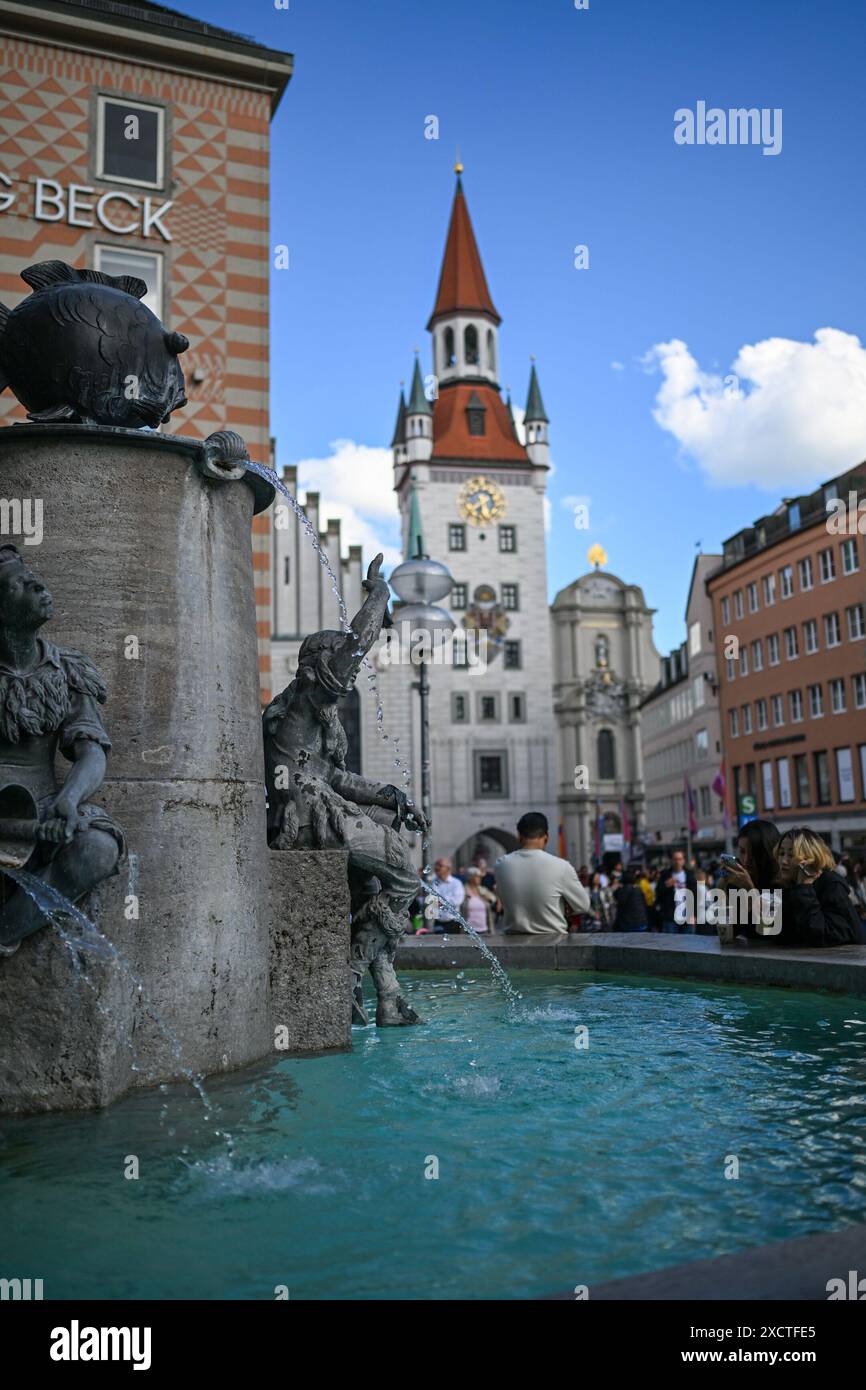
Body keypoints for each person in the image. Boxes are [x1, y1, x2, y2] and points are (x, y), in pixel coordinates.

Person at [495, 811, 590, 935]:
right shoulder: (561, 866)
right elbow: (583, 905)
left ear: (519, 835)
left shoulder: (501, 864)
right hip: (553, 941)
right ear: (546, 836)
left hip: (512, 941)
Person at [775, 828, 866, 947]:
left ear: (809, 859)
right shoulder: (785, 884)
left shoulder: (831, 884)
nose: (784, 861)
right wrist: (750, 895)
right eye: (781, 854)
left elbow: (821, 936)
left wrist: (805, 889)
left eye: (791, 855)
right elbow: (768, 933)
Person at [718, 819, 780, 940]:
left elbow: (765, 932)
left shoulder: (779, 882)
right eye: (742, 851)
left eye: (753, 854)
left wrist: (750, 891)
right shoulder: (737, 883)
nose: (746, 860)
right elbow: (726, 935)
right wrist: (722, 887)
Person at [654, 849, 696, 934]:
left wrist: (695, 914)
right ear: (672, 861)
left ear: (683, 861)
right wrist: (666, 885)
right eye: (675, 859)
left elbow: (695, 895)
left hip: (687, 916)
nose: (677, 862)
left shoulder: (689, 874)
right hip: (670, 916)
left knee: (688, 944)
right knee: (671, 945)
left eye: (680, 859)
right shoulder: (665, 874)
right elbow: (658, 892)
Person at [426, 856, 465, 932]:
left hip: (453, 922)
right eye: (436, 865)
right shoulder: (433, 883)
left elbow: (457, 900)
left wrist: (440, 901)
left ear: (448, 868)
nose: (437, 868)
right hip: (437, 922)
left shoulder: (456, 883)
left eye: (440, 866)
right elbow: (430, 899)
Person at [461, 867, 495, 934]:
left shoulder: (482, 890)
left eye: (480, 877)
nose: (480, 878)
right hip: (468, 931)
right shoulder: (463, 890)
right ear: (470, 877)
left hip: (484, 930)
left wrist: (489, 899)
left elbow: (493, 899)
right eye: (477, 877)